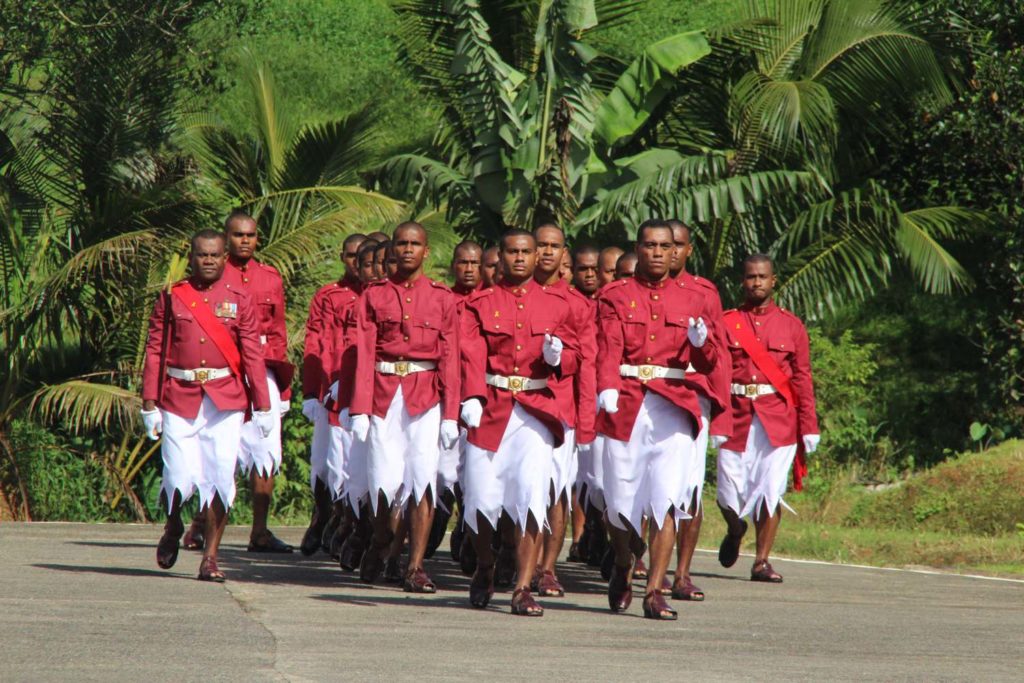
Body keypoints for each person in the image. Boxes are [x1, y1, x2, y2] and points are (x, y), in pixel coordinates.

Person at [595, 218, 718, 620]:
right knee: (618, 504)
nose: (658, 253)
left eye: (665, 246)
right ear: (639, 247)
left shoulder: (697, 296)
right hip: (626, 403)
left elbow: (713, 359)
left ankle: (654, 592)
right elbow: (607, 346)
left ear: (676, 250)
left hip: (673, 403)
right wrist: (607, 385)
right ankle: (622, 560)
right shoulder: (615, 293)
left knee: (666, 499)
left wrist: (702, 346)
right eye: (650, 245)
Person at [459, 229, 578, 616]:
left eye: (527, 252)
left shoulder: (558, 305)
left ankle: (524, 587)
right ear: (502, 255)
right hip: (490, 407)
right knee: (479, 498)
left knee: (530, 498)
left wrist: (559, 357)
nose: (521, 259)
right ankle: (486, 566)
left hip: (535, 410)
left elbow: (576, 356)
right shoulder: (479, 303)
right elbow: (469, 354)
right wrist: (472, 397)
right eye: (512, 252)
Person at [142, 229, 273, 581]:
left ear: (223, 257)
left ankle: (210, 558)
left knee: (220, 477)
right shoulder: (172, 297)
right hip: (179, 395)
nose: (210, 260)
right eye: (203, 255)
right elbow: (155, 349)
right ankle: (172, 525)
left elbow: (252, 355)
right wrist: (149, 403)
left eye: (216, 255)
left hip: (224, 399)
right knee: (178, 474)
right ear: (192, 257)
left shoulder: (239, 298)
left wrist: (263, 406)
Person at [349, 222, 460, 593]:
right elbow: (364, 354)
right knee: (383, 483)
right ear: (392, 250)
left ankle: (415, 565)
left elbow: (450, 357)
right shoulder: (374, 296)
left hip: (425, 396)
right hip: (383, 395)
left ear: (426, 251)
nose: (408, 249)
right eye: (402, 243)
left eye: (415, 243)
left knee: (422, 480)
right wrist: (360, 408)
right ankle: (382, 541)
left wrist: (451, 413)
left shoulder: (443, 298)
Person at [716, 254, 820, 583]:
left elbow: (802, 378)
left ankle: (761, 561)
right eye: (750, 277)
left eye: (762, 277)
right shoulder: (726, 321)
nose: (757, 282)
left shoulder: (792, 325)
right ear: (742, 281)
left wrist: (809, 425)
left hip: (778, 419)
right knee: (727, 494)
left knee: (769, 490)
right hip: (735, 416)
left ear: (773, 281)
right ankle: (735, 530)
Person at [203, 210, 294, 554]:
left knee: (265, 451)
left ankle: (260, 531)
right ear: (226, 238)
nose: (245, 240)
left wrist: (281, 388)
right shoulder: (210, 274)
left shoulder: (270, 278)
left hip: (263, 372)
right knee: (214, 448)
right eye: (238, 234)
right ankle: (201, 526)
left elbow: (280, 333)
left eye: (251, 235)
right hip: (223, 372)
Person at [665, 219, 732, 601]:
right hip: (650, 396)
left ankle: (682, 573)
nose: (670, 251)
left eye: (678, 244)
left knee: (689, 487)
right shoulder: (640, 291)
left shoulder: (704, 292)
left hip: (692, 398)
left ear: (689, 250)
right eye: (665, 243)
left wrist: (721, 414)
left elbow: (719, 355)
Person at [530, 224, 597, 598]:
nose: (546, 252)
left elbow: (587, 366)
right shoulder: (505, 296)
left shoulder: (578, 305)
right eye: (541, 245)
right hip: (513, 407)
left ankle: (547, 568)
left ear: (563, 253)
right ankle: (517, 557)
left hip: (560, 408)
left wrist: (586, 425)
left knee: (555, 490)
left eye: (554, 246)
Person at [298, 232, 366, 555]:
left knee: (355, 462)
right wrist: (314, 390)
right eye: (351, 255)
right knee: (324, 462)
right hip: (332, 388)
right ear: (343, 256)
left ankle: (348, 523)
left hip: (364, 390)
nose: (357, 262)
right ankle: (322, 515)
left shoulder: (378, 296)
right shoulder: (329, 296)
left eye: (362, 256)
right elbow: (317, 342)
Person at [431, 240, 483, 560]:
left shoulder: (491, 302)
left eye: (474, 263)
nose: (468, 268)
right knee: (442, 470)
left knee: (474, 472)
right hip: (443, 394)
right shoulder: (442, 299)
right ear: (453, 265)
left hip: (479, 399)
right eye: (462, 262)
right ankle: (433, 530)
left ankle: (467, 532)